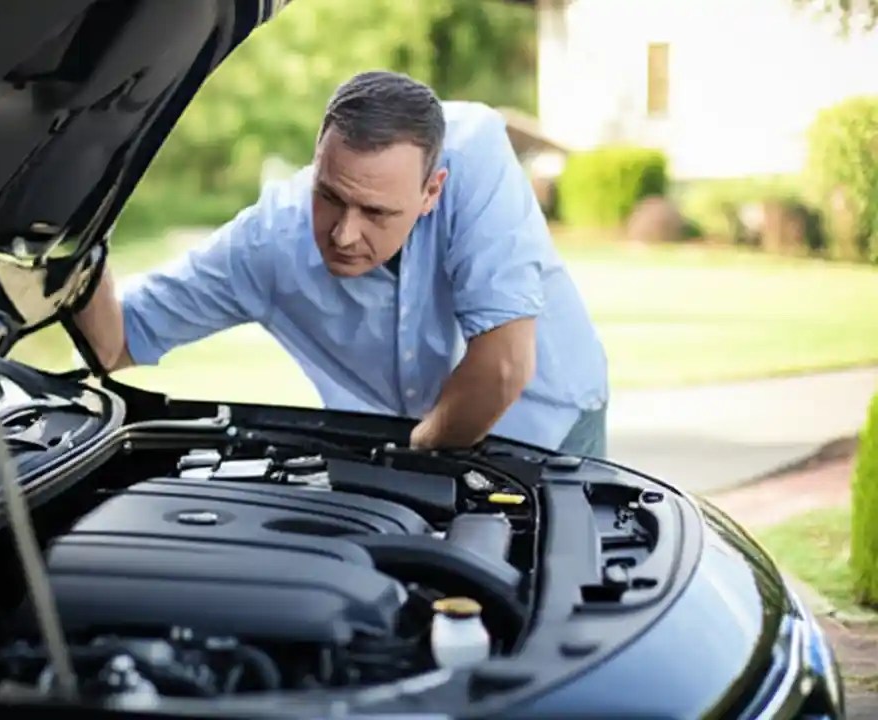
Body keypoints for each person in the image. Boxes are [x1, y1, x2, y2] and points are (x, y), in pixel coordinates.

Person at [73, 70, 609, 457]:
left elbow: (504, 366)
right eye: (330, 196)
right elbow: (117, 342)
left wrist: (416, 451)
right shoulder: (266, 244)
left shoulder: (474, 155)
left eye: (377, 212)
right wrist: (79, 230)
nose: (345, 234)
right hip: (408, 446)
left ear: (431, 191)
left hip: (551, 420)